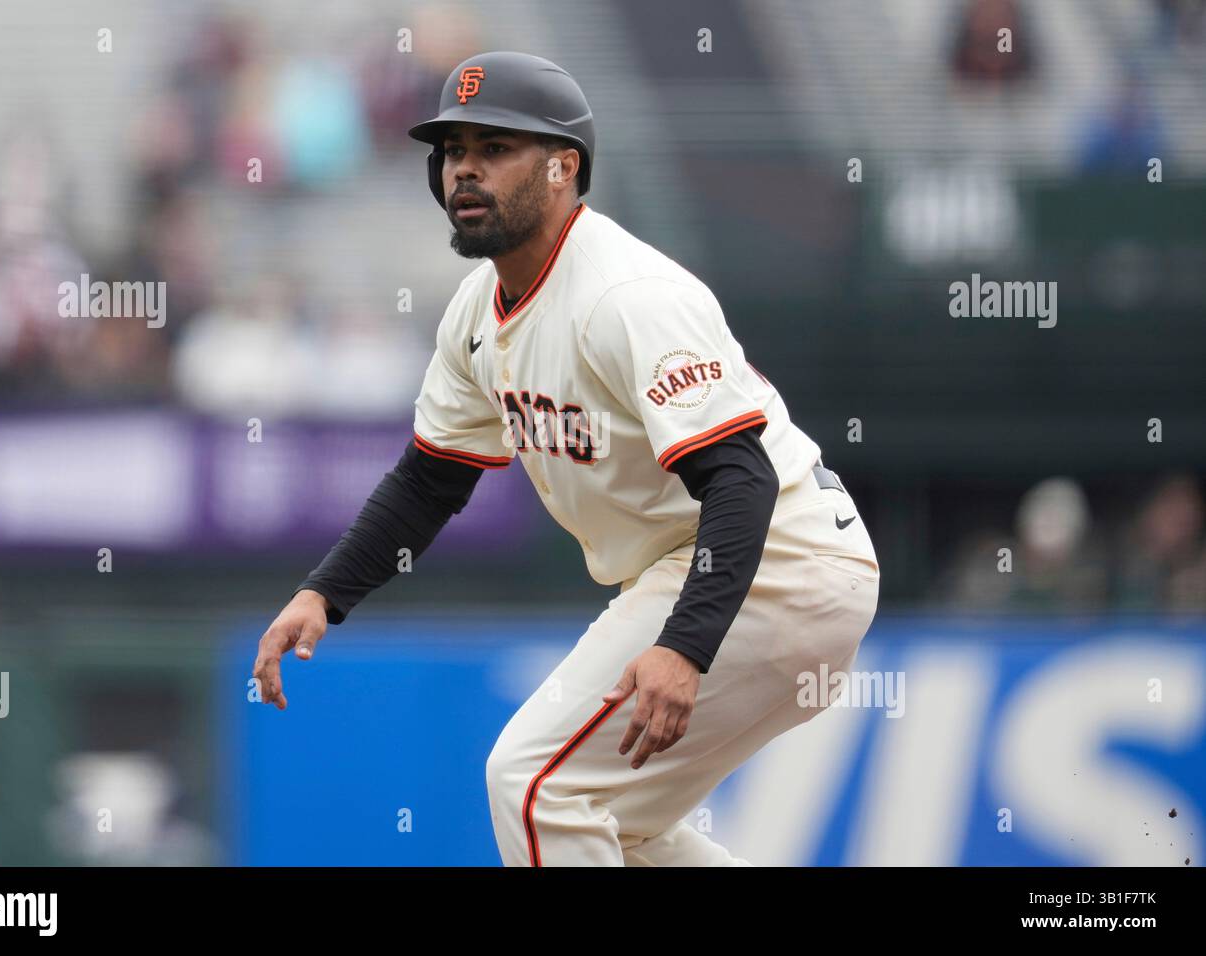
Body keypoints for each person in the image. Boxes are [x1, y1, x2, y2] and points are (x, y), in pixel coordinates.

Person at [252, 52, 880, 866]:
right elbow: (432, 477)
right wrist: (323, 592)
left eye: (495, 146)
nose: (464, 168)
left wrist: (685, 646)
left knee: (535, 784)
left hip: (780, 565)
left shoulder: (624, 296)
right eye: (451, 150)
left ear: (563, 166)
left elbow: (740, 477)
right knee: (615, 823)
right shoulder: (478, 310)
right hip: (730, 569)